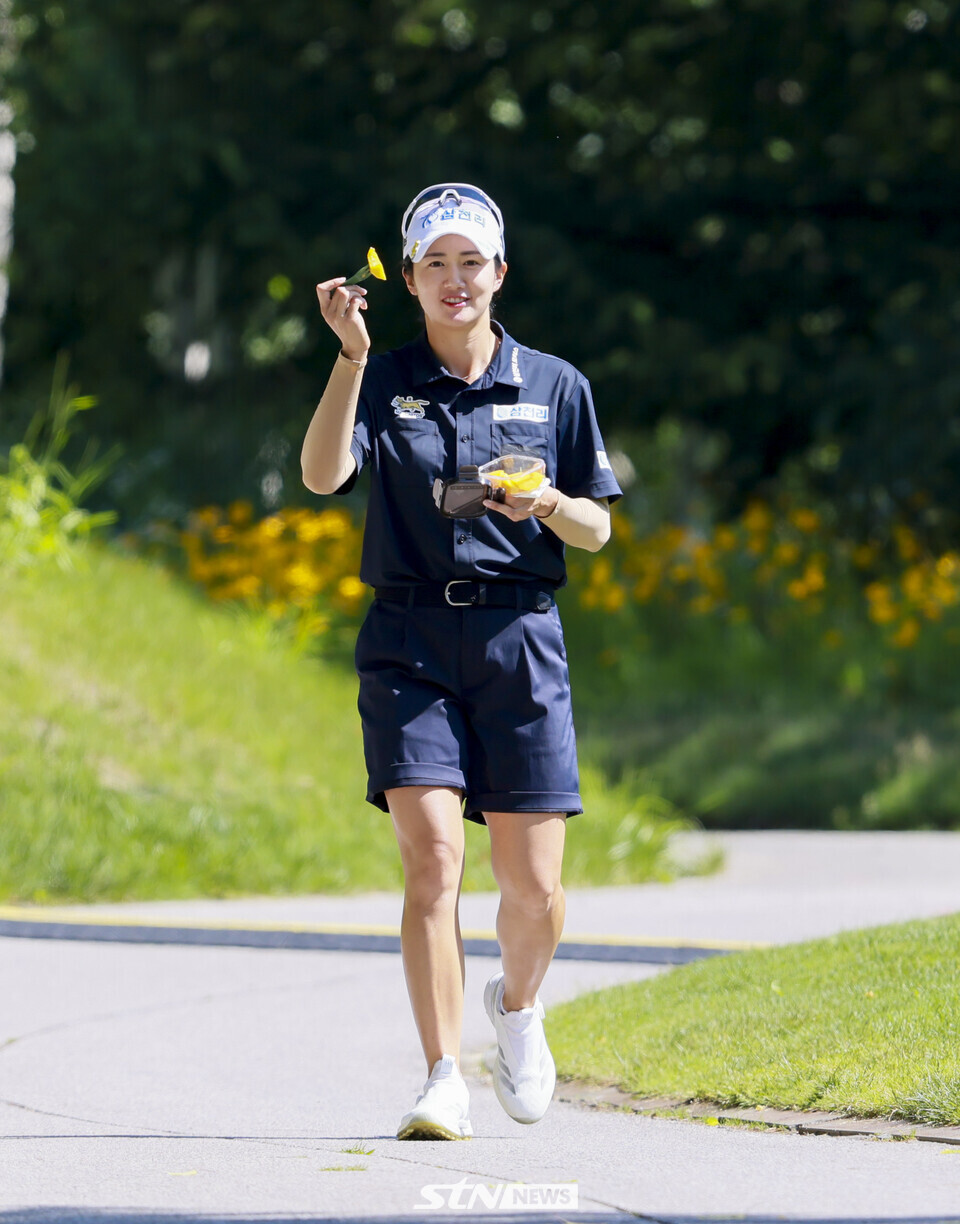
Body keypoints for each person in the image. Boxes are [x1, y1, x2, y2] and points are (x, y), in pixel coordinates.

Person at [301, 183, 622, 1141]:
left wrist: (549, 504)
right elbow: (322, 475)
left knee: (533, 888)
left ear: (498, 274)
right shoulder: (382, 375)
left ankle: (517, 1010)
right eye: (434, 264)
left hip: (519, 640)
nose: (454, 279)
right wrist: (350, 362)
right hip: (407, 643)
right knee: (433, 859)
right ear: (407, 279)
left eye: (470, 262)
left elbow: (599, 528)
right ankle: (442, 1073)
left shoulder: (555, 383)